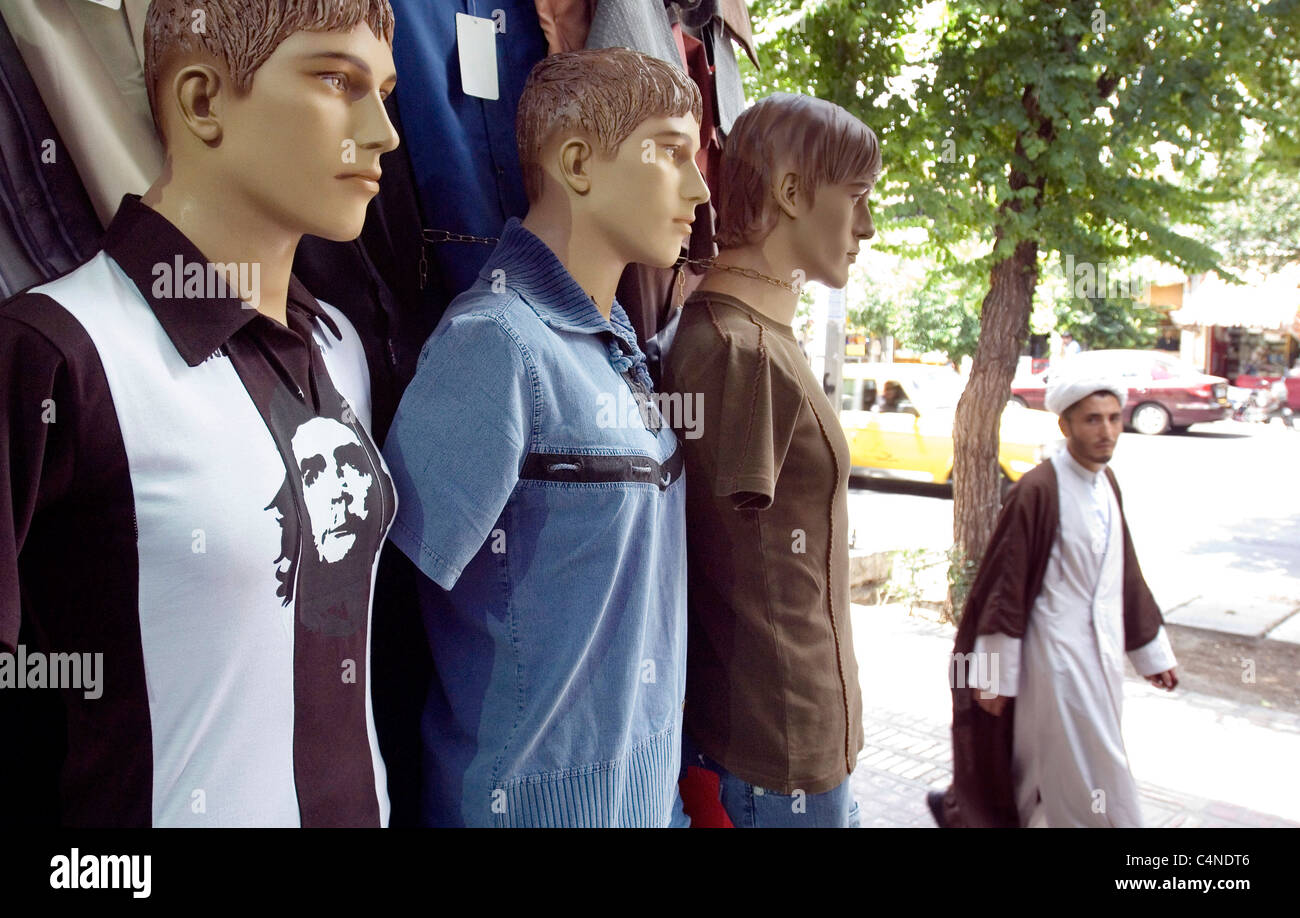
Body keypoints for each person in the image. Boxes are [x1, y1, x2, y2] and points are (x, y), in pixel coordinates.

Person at [0, 0, 400, 826]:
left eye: (386, 91)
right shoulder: (55, 356)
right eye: (337, 79)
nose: (386, 132)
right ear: (202, 101)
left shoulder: (338, 347)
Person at [381, 48, 708, 827]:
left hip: (646, 803)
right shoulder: (495, 346)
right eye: (670, 151)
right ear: (576, 163)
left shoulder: (618, 342)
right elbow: (382, 612)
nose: (698, 188)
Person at [661, 93, 879, 827]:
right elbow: (722, 570)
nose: (867, 228)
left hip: (797, 742)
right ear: (791, 193)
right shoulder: (739, 352)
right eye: (855, 199)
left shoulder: (759, 340)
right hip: (770, 753)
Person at [932, 376, 1179, 828]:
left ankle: (971, 814)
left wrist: (1152, 653)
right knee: (1093, 768)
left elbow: (1123, 572)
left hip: (1101, 655)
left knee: (1042, 768)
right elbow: (1004, 589)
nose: (1106, 431)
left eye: (1112, 418)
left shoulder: (1107, 485)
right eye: (1091, 420)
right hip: (1053, 661)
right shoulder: (1038, 489)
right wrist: (992, 678)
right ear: (1065, 426)